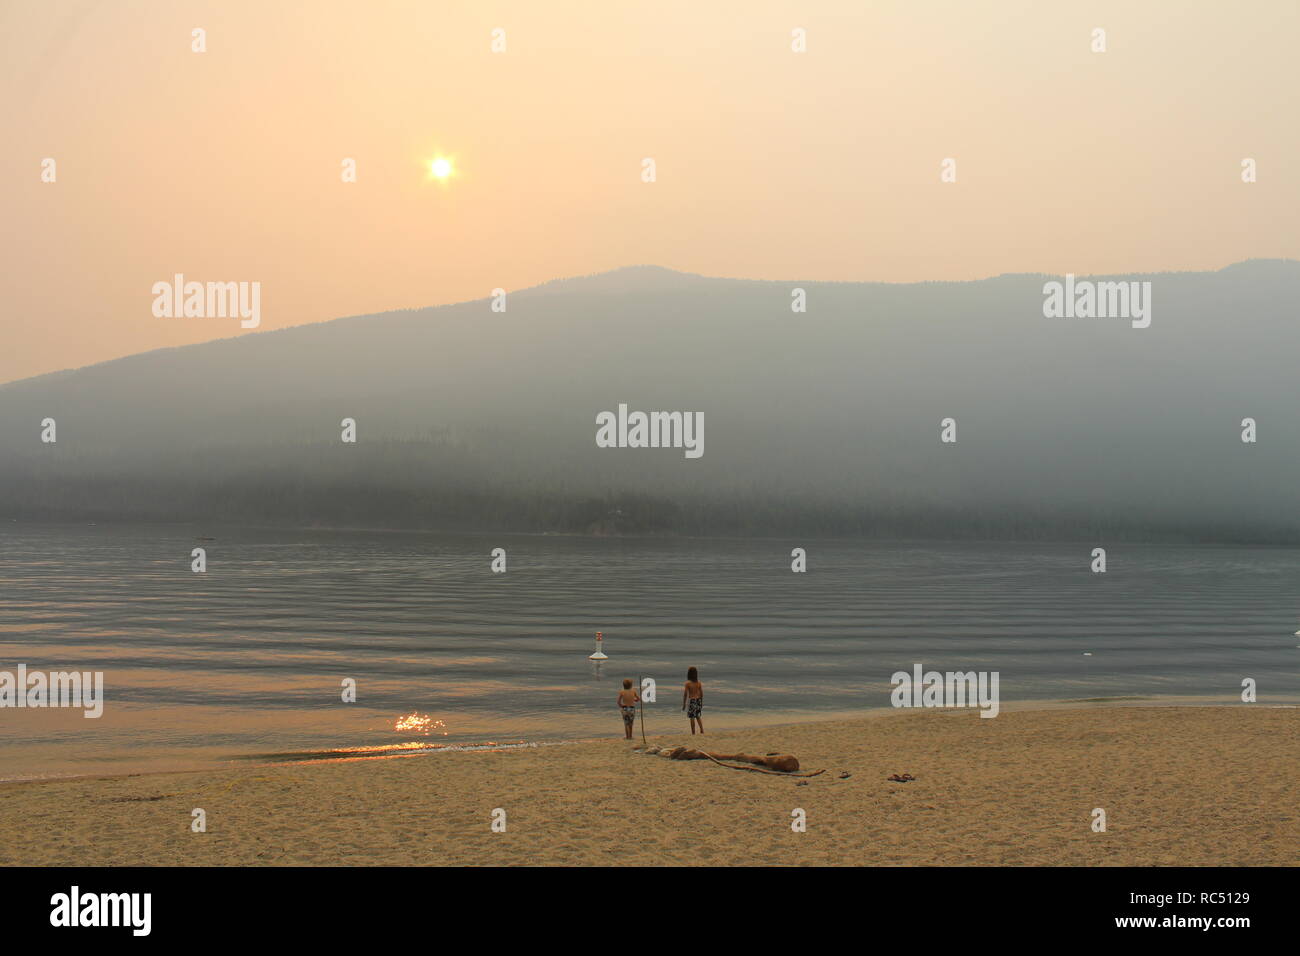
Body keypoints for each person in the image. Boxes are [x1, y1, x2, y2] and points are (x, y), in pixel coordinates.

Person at [682, 666, 704, 734]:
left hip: (692, 701)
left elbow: (685, 694)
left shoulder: (688, 683)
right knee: (698, 716)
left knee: (692, 717)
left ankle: (693, 732)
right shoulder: (699, 683)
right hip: (698, 700)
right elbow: (701, 694)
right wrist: (701, 702)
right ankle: (702, 730)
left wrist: (684, 704)